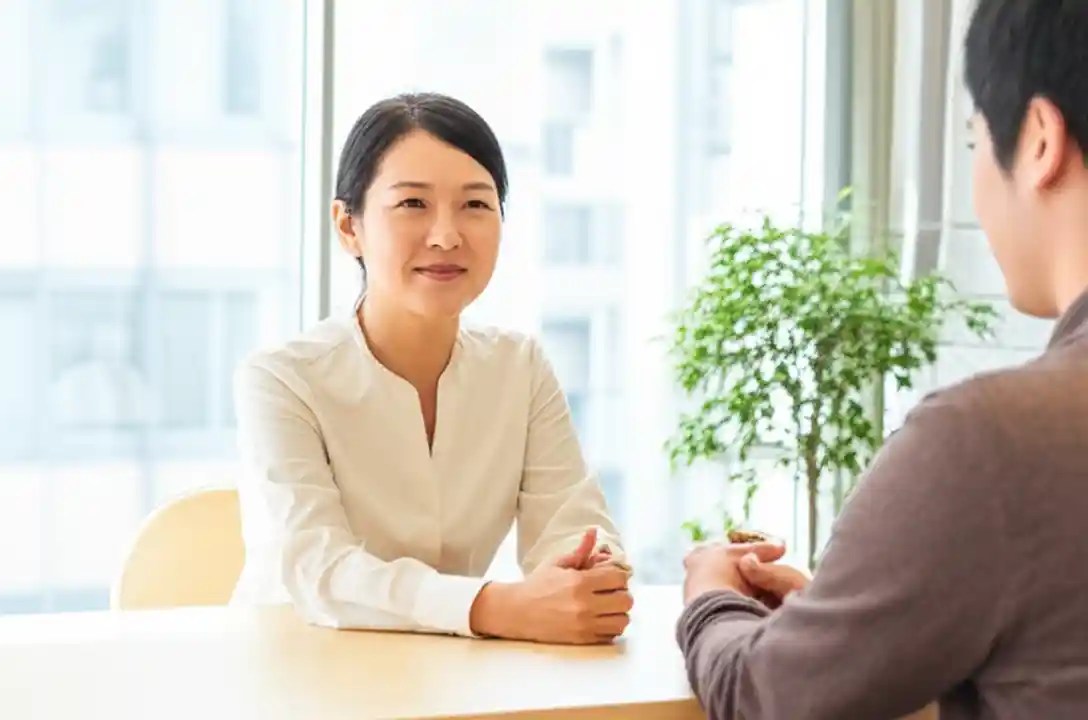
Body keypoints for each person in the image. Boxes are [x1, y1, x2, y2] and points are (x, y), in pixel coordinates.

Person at [677, 1, 1088, 718]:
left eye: (973, 141)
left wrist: (709, 595)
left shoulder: (993, 440)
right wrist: (860, 621)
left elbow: (764, 697)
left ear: (1039, 142)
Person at [231, 92, 632, 645]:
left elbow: (574, 526)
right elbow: (319, 569)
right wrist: (494, 607)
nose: (446, 236)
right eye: (412, 204)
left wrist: (590, 576)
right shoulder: (282, 379)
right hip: (295, 665)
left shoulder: (519, 368)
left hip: (452, 674)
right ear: (348, 226)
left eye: (475, 205)